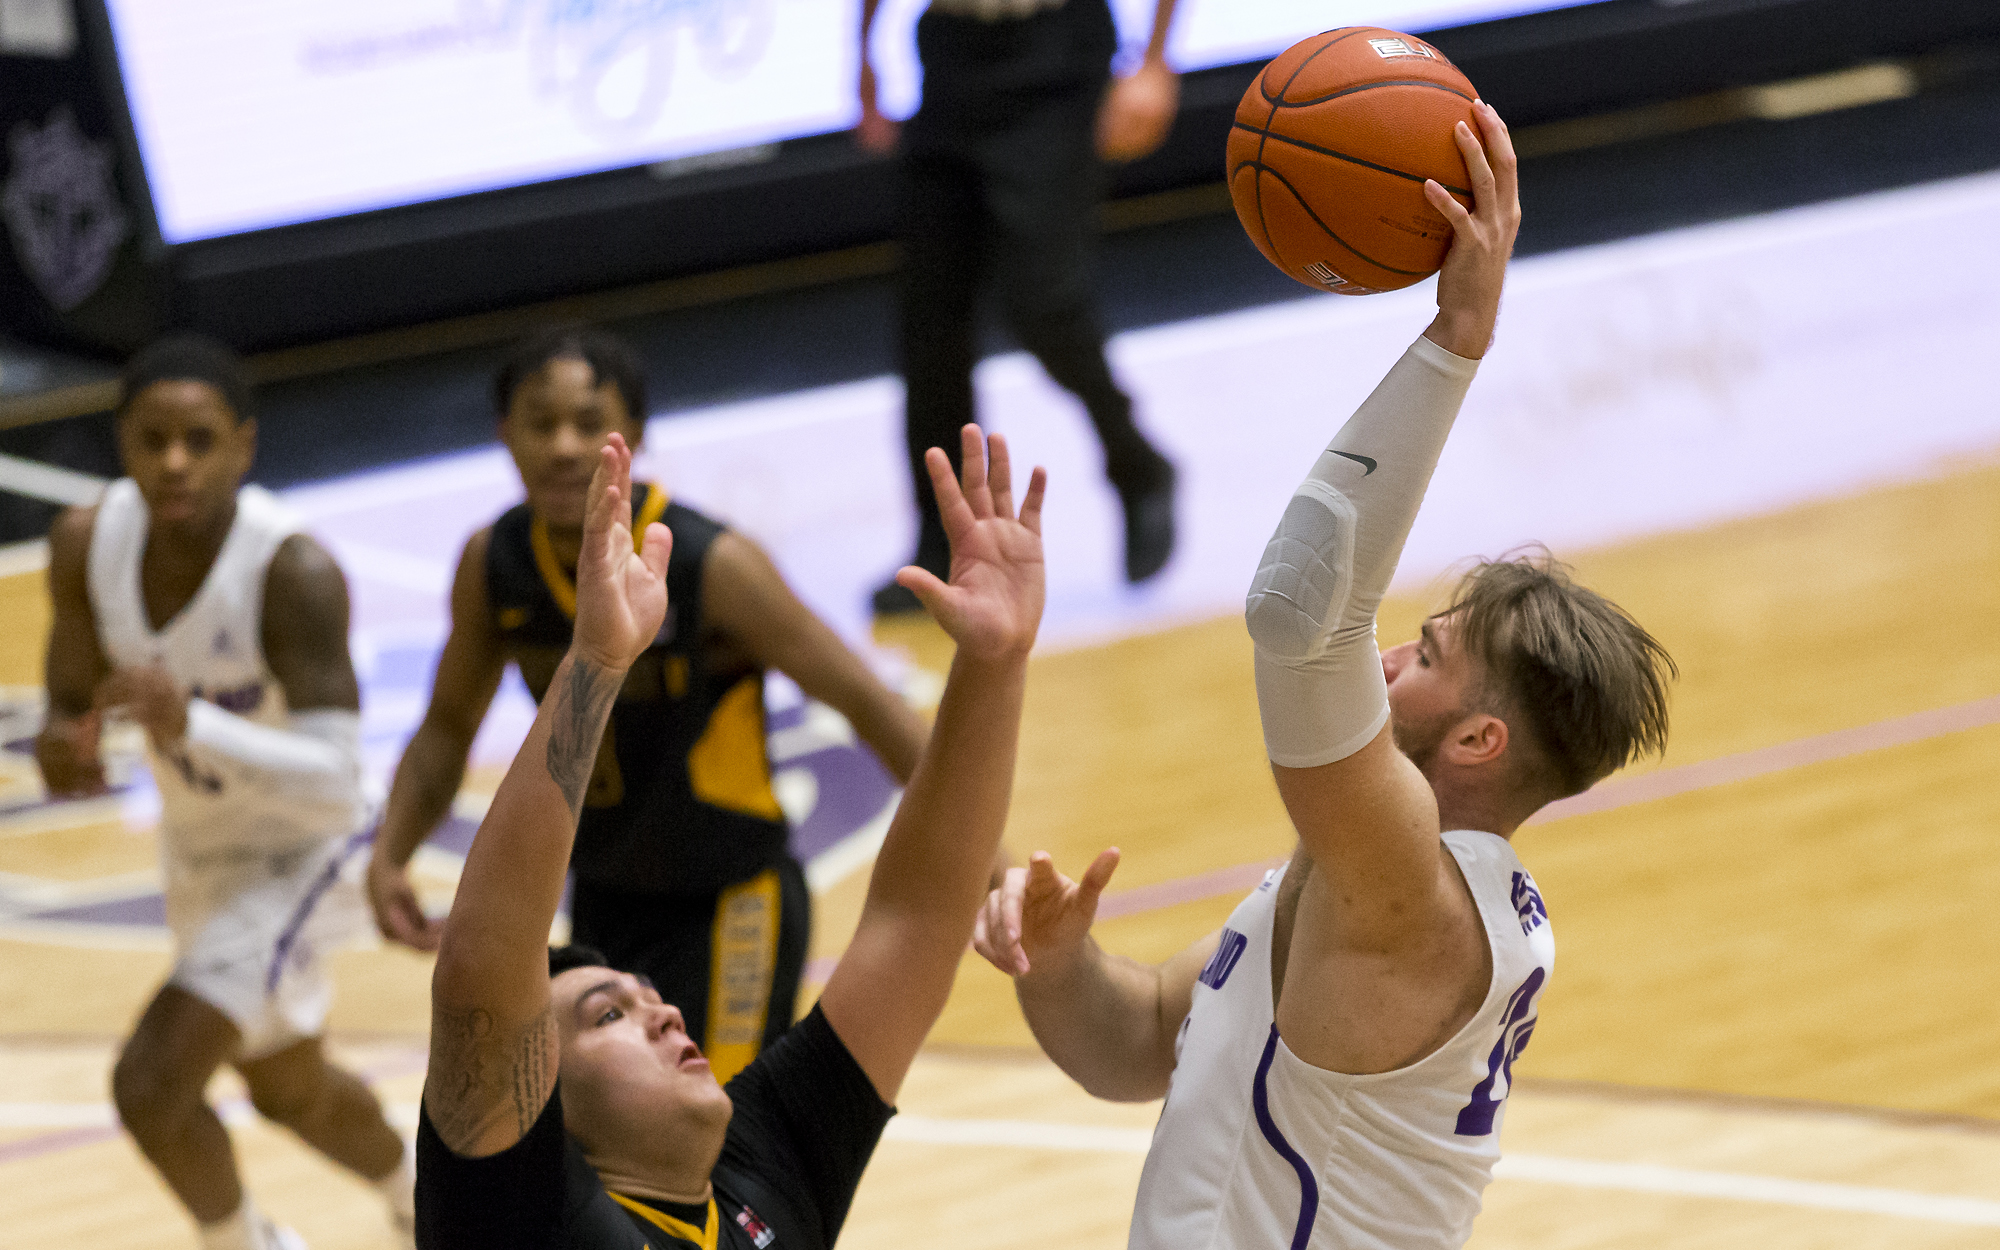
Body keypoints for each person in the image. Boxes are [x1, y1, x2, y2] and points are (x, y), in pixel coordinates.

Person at [972, 104, 1677, 1248]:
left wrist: (1455, 334)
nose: (1385, 655)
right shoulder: (1372, 882)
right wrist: (1058, 965)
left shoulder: (1410, 894)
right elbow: (1139, 1039)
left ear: (1478, 740)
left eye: (1426, 655)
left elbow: (1300, 612)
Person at [413, 426, 1045, 1249]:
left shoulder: (766, 1168)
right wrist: (595, 664)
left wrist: (995, 662)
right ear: (543, 1106)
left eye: (646, 997)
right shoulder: (521, 1221)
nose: (665, 1015)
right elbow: (483, 958)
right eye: (609, 1016)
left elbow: (918, 919)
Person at [366, 326, 931, 1085]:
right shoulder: (493, 563)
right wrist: (390, 852)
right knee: (607, 1126)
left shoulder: (711, 562)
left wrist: (981, 861)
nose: (564, 447)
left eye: (588, 423)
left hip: (731, 894)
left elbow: (865, 700)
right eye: (540, 423)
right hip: (604, 897)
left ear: (631, 434)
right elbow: (446, 728)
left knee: (717, 1122)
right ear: (504, 434)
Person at [36, 336, 413, 1250]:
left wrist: (189, 723)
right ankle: (432, 1202)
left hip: (309, 847)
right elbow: (66, 701)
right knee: (289, 1090)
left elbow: (339, 776)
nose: (175, 462)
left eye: (199, 440)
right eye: (152, 440)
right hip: (202, 848)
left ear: (243, 446)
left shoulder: (291, 572)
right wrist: (62, 745)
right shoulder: (86, 544)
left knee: (152, 1084)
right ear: (121, 445)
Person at [857, 0, 1182, 613]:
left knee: (1042, 301)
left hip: (1056, 53)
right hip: (950, 53)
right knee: (930, 321)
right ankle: (947, 540)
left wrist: (1157, 61)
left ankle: (1135, 462)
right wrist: (864, 53)